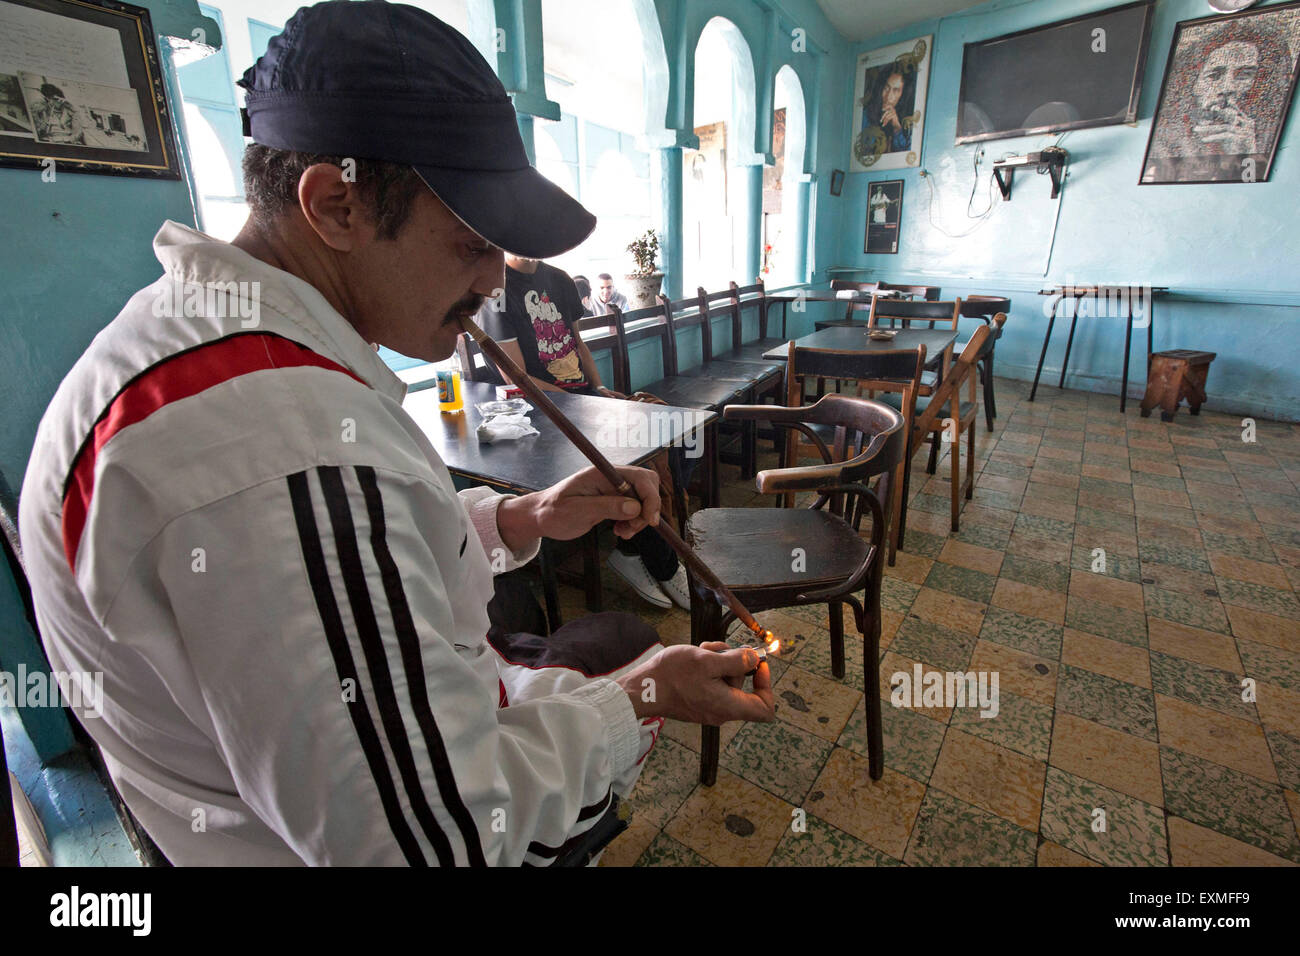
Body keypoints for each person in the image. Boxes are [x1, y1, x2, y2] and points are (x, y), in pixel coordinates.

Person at [18, 1, 773, 867]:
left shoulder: (193, 341)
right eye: (471, 245)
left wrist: (526, 518)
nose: (495, 283)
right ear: (336, 204)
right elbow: (432, 835)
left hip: (399, 736)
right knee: (622, 654)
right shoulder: (273, 444)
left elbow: (365, 564)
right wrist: (642, 697)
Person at [478, 256, 691, 610]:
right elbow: (517, 378)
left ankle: (631, 549)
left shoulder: (559, 279)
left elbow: (576, 342)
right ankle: (666, 567)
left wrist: (599, 388)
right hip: (543, 412)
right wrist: (581, 401)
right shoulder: (497, 290)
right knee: (629, 462)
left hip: (584, 398)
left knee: (670, 431)